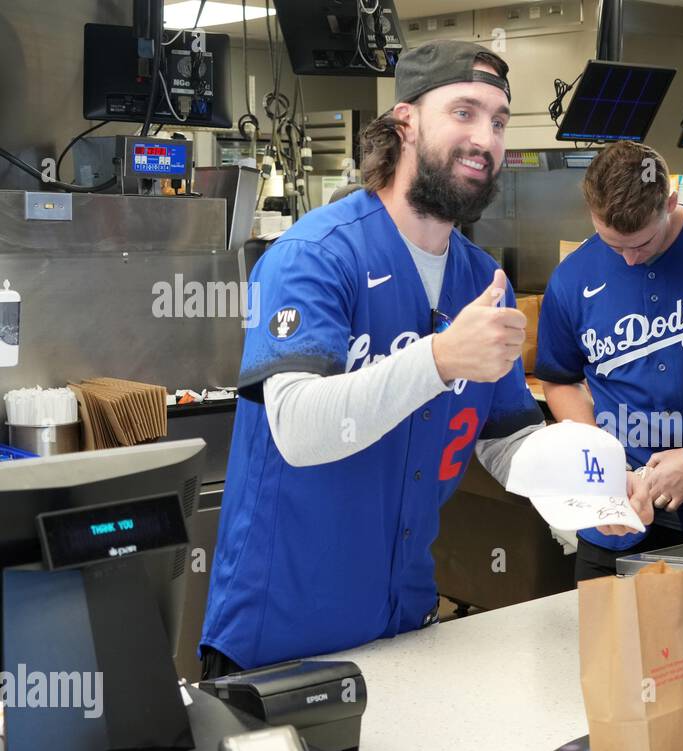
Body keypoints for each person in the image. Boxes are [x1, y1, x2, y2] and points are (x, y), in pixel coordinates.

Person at [201, 40, 610, 676]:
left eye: (499, 122)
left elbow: (505, 440)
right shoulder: (316, 256)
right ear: (406, 122)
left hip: (406, 625)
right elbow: (299, 429)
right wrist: (441, 359)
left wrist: (596, 483)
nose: (486, 139)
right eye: (465, 113)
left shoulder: (479, 278)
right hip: (279, 640)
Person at [535, 142, 683, 580]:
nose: (630, 258)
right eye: (615, 246)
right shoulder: (574, 277)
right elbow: (560, 379)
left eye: (643, 243)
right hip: (617, 514)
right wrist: (600, 461)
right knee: (608, 643)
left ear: (671, 202)